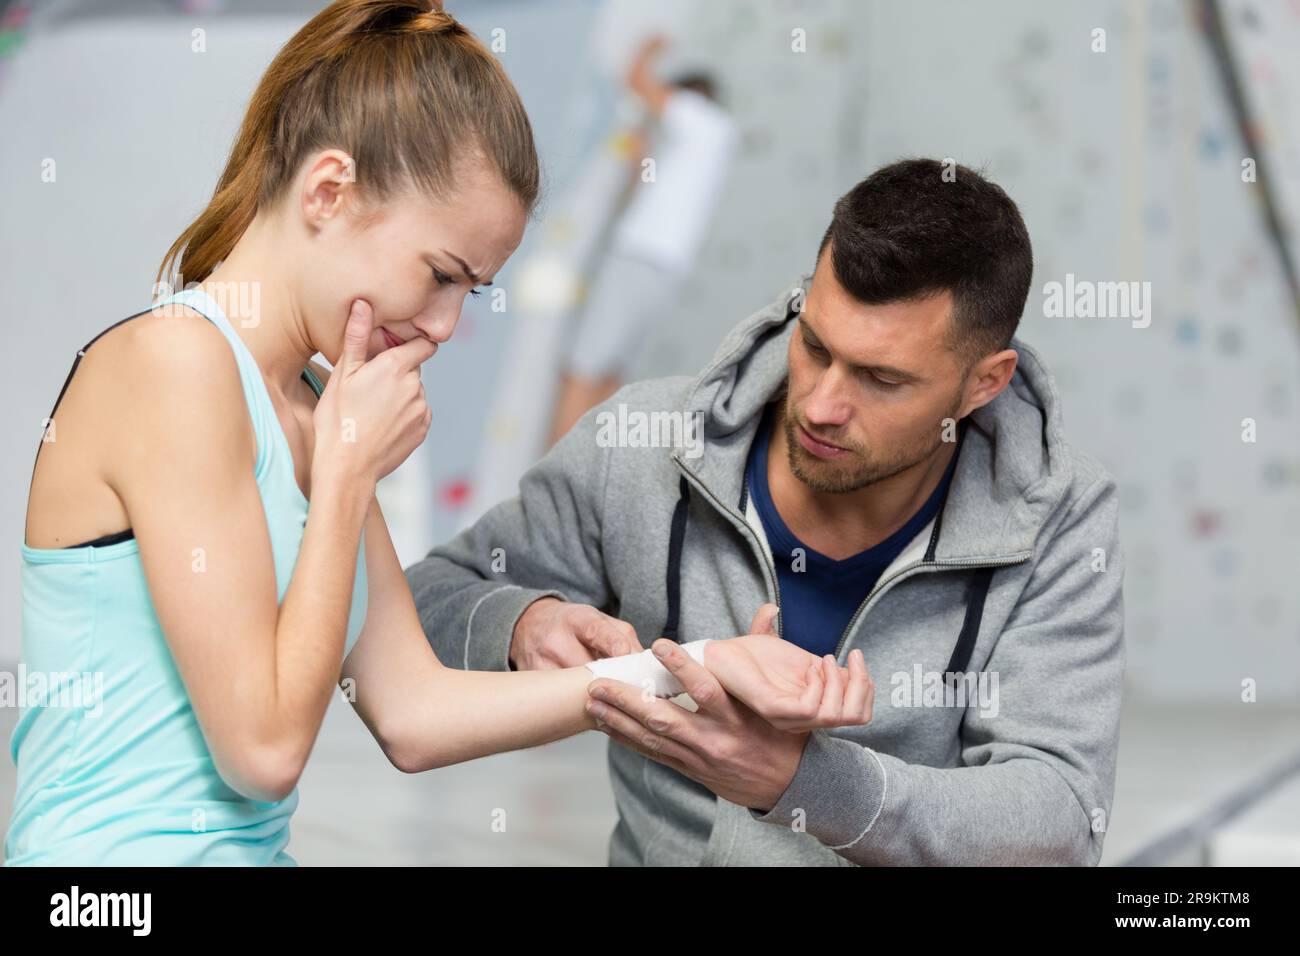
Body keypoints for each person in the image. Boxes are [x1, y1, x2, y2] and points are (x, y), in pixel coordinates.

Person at [6, 0, 867, 867]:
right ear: (329, 192)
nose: (447, 326)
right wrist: (344, 481)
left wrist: (696, 665)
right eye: (441, 275)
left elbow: (413, 712)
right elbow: (262, 754)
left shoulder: (315, 405)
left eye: (473, 291)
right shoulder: (176, 365)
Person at [407, 158, 1127, 866]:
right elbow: (423, 599)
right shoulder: (641, 443)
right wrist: (522, 623)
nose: (820, 405)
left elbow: (1059, 818)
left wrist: (801, 784)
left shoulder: (1060, 518)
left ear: (983, 384)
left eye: (881, 379)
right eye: (814, 345)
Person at [549, 34, 739, 443]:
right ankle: (581, 476)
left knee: (582, 366)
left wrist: (650, 45)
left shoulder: (702, 119)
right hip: (665, 268)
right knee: (611, 376)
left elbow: (636, 78)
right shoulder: (707, 146)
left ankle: (547, 484)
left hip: (640, 254)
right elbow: (640, 184)